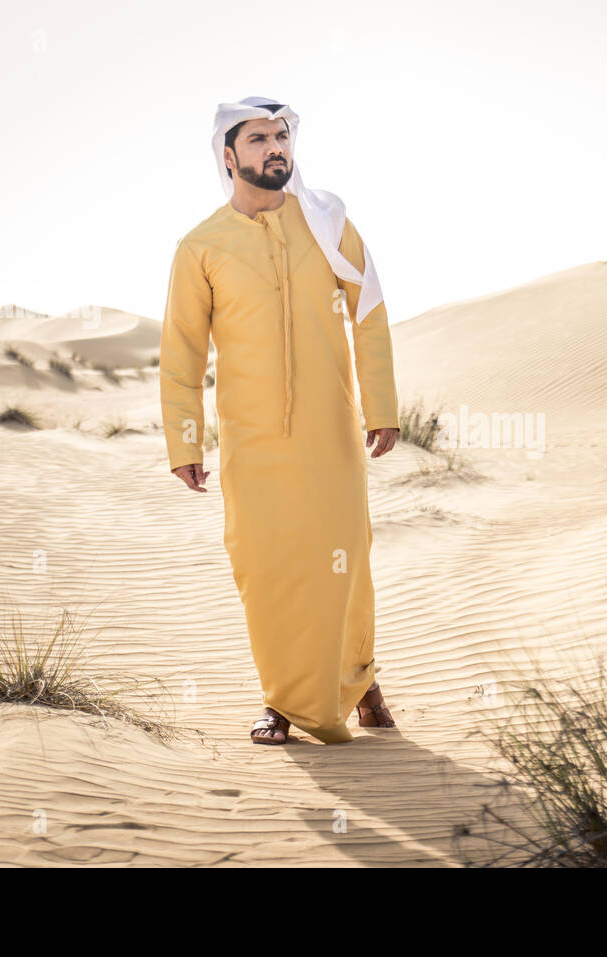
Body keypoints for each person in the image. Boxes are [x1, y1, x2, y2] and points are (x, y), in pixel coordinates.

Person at [160, 96, 400, 745]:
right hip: (252, 440)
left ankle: (360, 679)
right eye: (260, 138)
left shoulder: (328, 224)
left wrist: (382, 406)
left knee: (344, 561)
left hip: (332, 434)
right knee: (265, 567)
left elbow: (369, 311)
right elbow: (182, 351)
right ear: (229, 155)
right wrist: (185, 440)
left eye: (282, 135)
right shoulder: (201, 246)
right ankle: (284, 700)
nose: (276, 147)